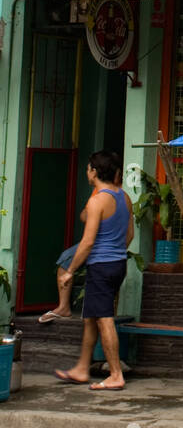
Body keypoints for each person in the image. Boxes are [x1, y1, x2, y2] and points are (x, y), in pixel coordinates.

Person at [53, 150, 133, 392]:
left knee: (104, 318)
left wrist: (70, 271)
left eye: (88, 168)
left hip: (101, 266)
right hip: (118, 264)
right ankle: (81, 368)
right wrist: (114, 252)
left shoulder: (97, 201)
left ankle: (116, 374)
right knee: (92, 316)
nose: (86, 172)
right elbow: (129, 235)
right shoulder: (124, 198)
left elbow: (87, 242)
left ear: (95, 172)